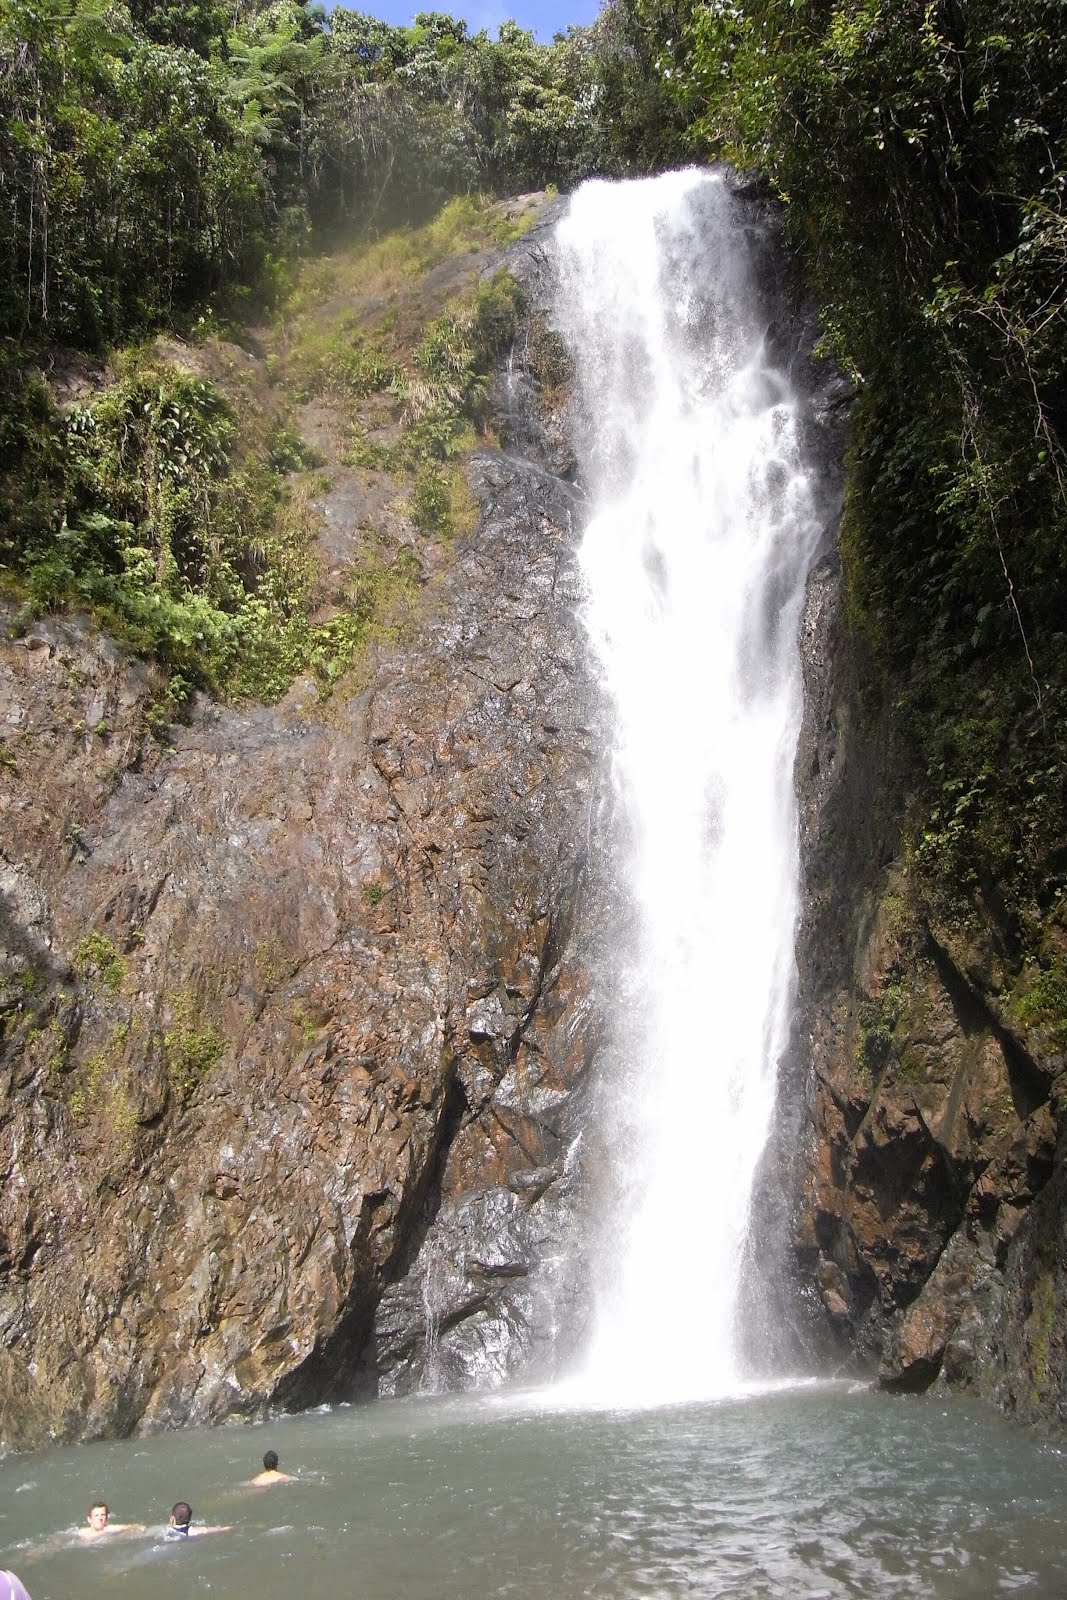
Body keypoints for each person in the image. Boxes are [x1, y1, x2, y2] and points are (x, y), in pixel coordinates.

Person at [78, 1501, 144, 1539]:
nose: (100, 1518)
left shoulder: (110, 1530)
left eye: (103, 1515)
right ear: (89, 1519)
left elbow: (132, 1527)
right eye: (96, 1515)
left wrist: (139, 1528)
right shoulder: (81, 1533)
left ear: (106, 1518)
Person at [165, 1502, 232, 1539]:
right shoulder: (191, 1531)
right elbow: (208, 1530)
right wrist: (226, 1529)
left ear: (172, 1519)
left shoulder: (164, 1529)